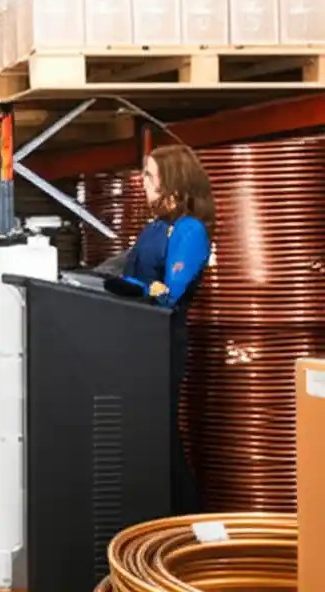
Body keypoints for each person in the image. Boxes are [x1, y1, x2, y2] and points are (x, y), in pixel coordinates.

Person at [114, 144, 215, 514]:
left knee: (160, 435)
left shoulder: (190, 232)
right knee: (143, 435)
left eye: (149, 175)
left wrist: (130, 288)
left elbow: (168, 295)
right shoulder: (156, 228)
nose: (142, 183)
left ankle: (185, 520)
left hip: (161, 343)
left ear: (172, 182)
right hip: (136, 340)